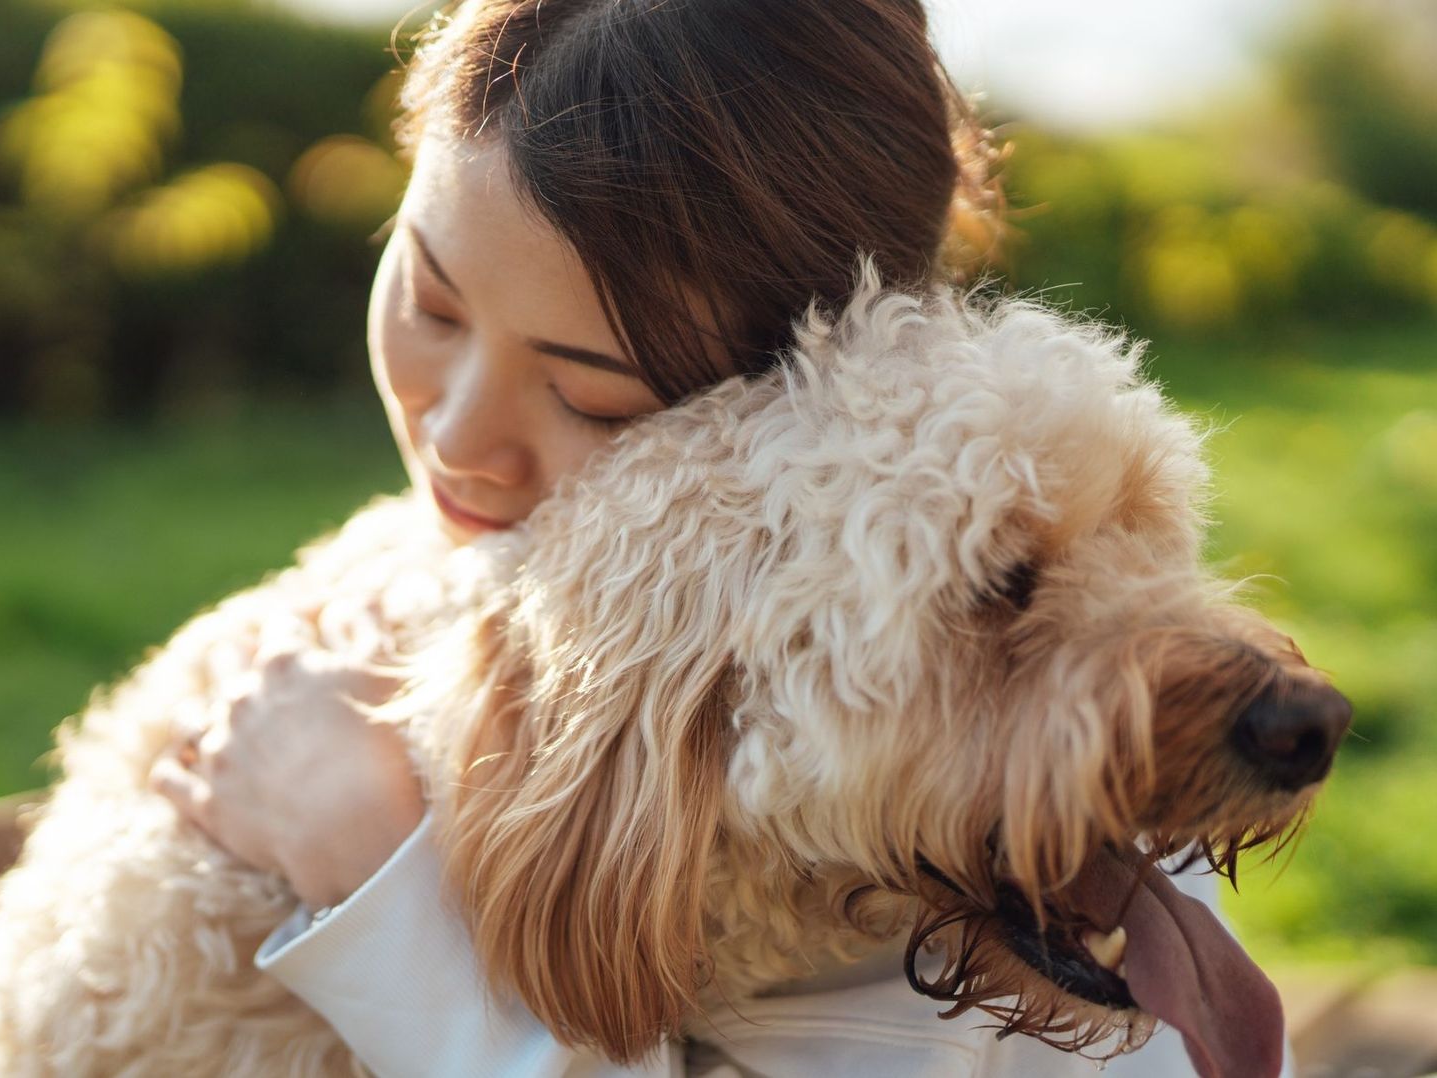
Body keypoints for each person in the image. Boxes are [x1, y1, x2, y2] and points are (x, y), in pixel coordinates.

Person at [151, 1, 1295, 1074]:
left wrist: (370, 873)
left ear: (802, 404)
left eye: (596, 396)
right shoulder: (357, 652)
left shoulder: (943, 649)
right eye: (432, 301)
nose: (456, 438)